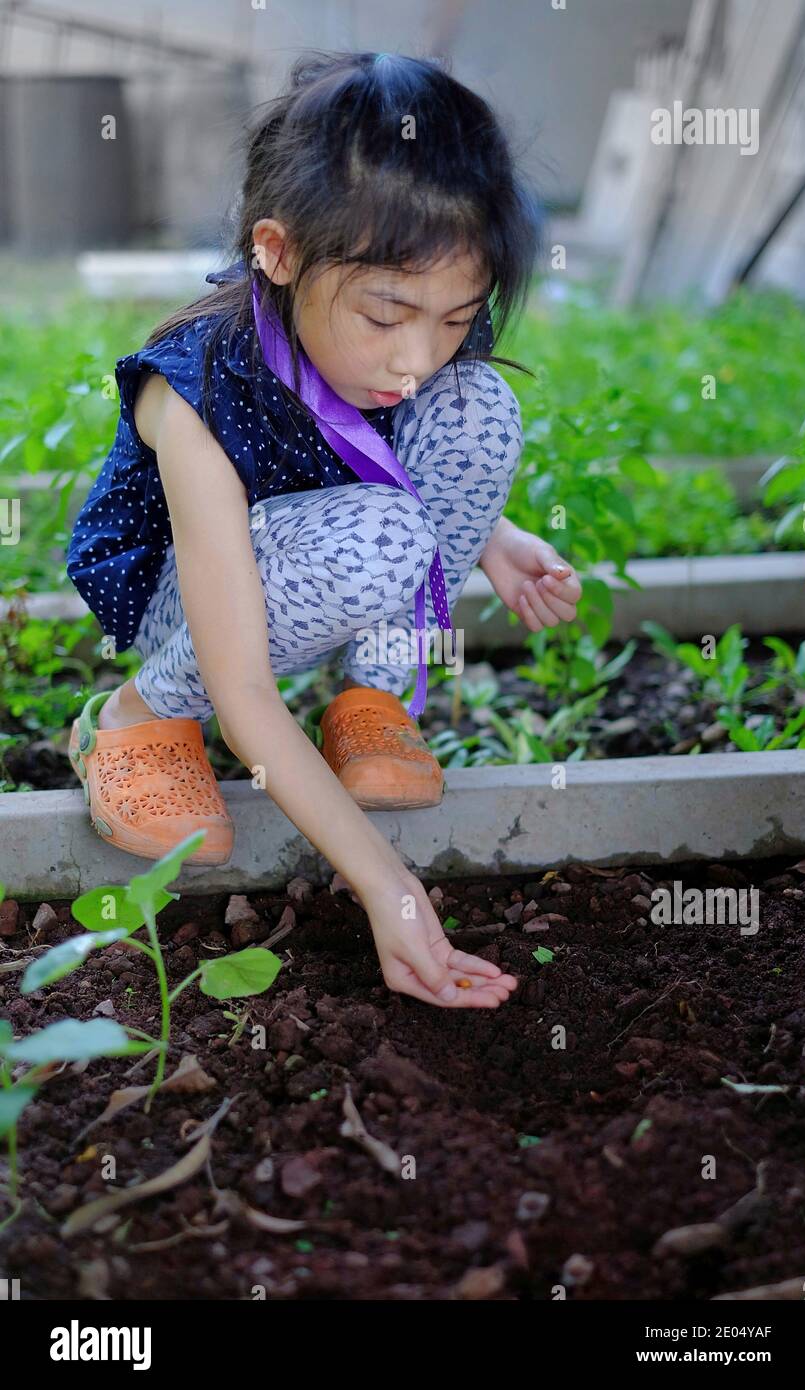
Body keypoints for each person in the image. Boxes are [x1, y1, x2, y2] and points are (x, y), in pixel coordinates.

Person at [66, 50, 581, 1010]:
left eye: (456, 318)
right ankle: (136, 715)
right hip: (188, 599)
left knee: (480, 406)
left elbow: (368, 450)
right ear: (278, 250)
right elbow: (245, 691)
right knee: (382, 537)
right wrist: (389, 887)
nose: (417, 358)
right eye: (387, 315)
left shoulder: (406, 346)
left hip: (326, 554)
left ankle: (369, 700)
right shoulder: (195, 388)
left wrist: (494, 537)